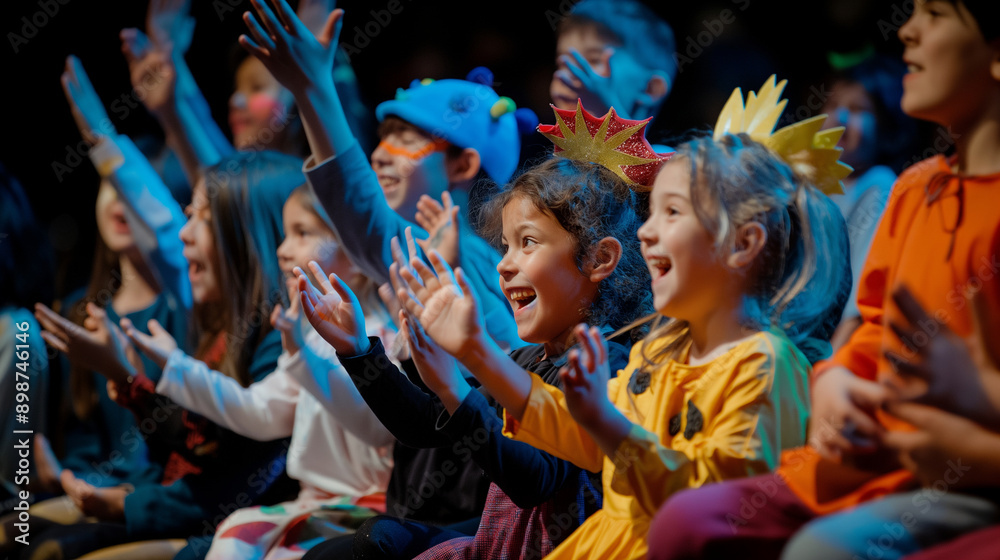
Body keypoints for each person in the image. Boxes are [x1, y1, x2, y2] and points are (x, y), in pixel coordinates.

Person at [396, 77, 851, 559]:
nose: (648, 233)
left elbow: (713, 511)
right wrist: (477, 351)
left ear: (742, 244)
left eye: (671, 212)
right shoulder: (660, 351)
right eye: (651, 213)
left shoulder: (764, 363)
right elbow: (581, 438)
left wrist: (608, 425)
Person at [647, 2, 1000, 558]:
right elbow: (870, 326)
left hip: (961, 479)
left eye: (935, 13)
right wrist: (833, 381)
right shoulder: (916, 189)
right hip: (869, 457)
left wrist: (975, 420)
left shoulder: (883, 190)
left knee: (821, 550)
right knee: (685, 524)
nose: (907, 30)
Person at [299, 103, 660, 558]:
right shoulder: (532, 359)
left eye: (527, 243)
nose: (505, 265)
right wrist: (357, 351)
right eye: (506, 245)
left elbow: (535, 481)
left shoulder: (606, 364)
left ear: (599, 259)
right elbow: (426, 425)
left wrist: (454, 383)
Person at [240, 0, 537, 355]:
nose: (380, 155)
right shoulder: (450, 253)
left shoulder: (462, 258)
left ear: (462, 166)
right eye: (383, 138)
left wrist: (312, 89)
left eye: (406, 141)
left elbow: (363, 215)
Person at [125, 185, 396, 559]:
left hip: (371, 507)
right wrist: (177, 365)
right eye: (286, 234)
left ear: (353, 251)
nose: (283, 250)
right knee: (234, 533)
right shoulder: (309, 340)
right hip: (315, 503)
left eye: (303, 233)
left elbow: (377, 427)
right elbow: (261, 412)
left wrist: (303, 357)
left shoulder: (384, 339)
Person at [551, 0, 677, 121]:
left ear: (650, 88)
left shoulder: (664, 144)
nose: (567, 75)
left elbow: (634, 145)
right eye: (563, 64)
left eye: (593, 60)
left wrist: (609, 113)